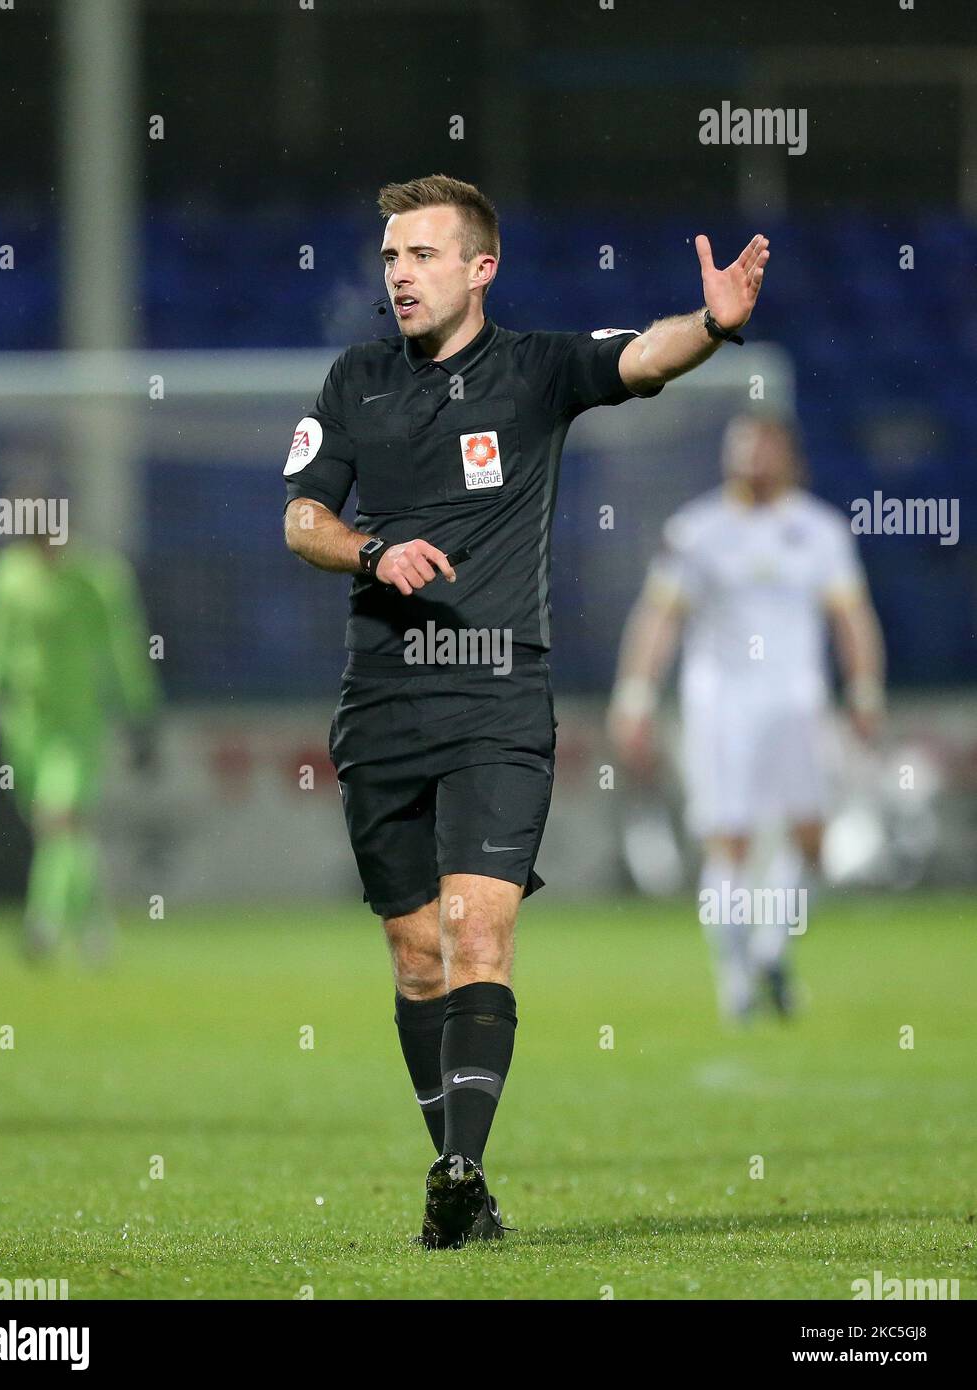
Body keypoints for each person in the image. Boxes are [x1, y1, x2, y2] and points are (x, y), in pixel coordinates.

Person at [284, 173, 769, 1247]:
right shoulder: (355, 379)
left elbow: (642, 355)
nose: (400, 274)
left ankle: (458, 1169)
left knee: (477, 929)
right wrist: (370, 546)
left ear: (479, 267)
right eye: (391, 258)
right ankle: (461, 1176)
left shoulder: (536, 369)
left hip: (500, 695)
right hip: (384, 701)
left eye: (421, 255)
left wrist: (713, 324)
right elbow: (302, 519)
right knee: (417, 955)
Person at [608, 415, 886, 1019]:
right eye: (741, 446)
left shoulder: (819, 529)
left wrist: (864, 690)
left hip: (798, 702)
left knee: (810, 837)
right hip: (720, 705)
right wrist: (635, 695)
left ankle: (768, 949)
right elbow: (659, 618)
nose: (751, 456)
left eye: (763, 445)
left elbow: (851, 617)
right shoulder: (697, 530)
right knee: (728, 841)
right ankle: (735, 981)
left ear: (787, 453)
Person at [0, 530, 161, 962]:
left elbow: (122, 647)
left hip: (78, 722)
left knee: (60, 819)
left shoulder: (100, 578)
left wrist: (138, 711)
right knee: (58, 830)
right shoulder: (3, 577)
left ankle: (44, 923)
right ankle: (95, 926)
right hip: (25, 723)